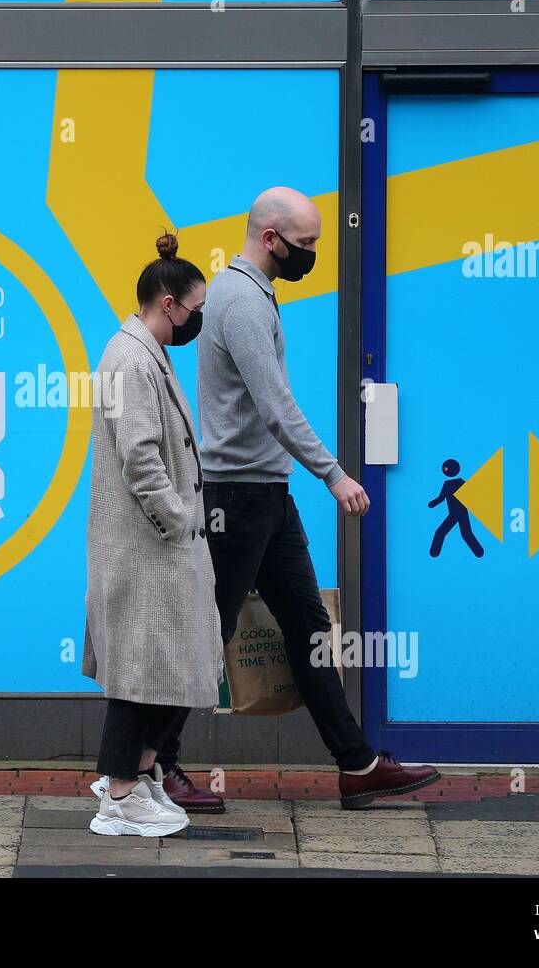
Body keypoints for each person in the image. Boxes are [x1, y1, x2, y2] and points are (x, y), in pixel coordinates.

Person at [154, 187, 441, 812]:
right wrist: (334, 475)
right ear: (269, 239)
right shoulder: (243, 304)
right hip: (239, 494)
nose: (310, 256)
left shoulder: (252, 294)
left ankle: (358, 764)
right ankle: (158, 767)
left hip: (267, 492)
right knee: (211, 630)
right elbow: (276, 406)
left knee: (309, 629)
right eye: (304, 246)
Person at [81, 234, 222, 836]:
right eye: (196, 309)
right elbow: (140, 457)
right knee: (143, 672)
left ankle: (136, 779)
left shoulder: (143, 352)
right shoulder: (134, 358)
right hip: (150, 546)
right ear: (168, 302)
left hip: (156, 546)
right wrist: (180, 521)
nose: (199, 321)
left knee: (171, 667)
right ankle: (119, 793)